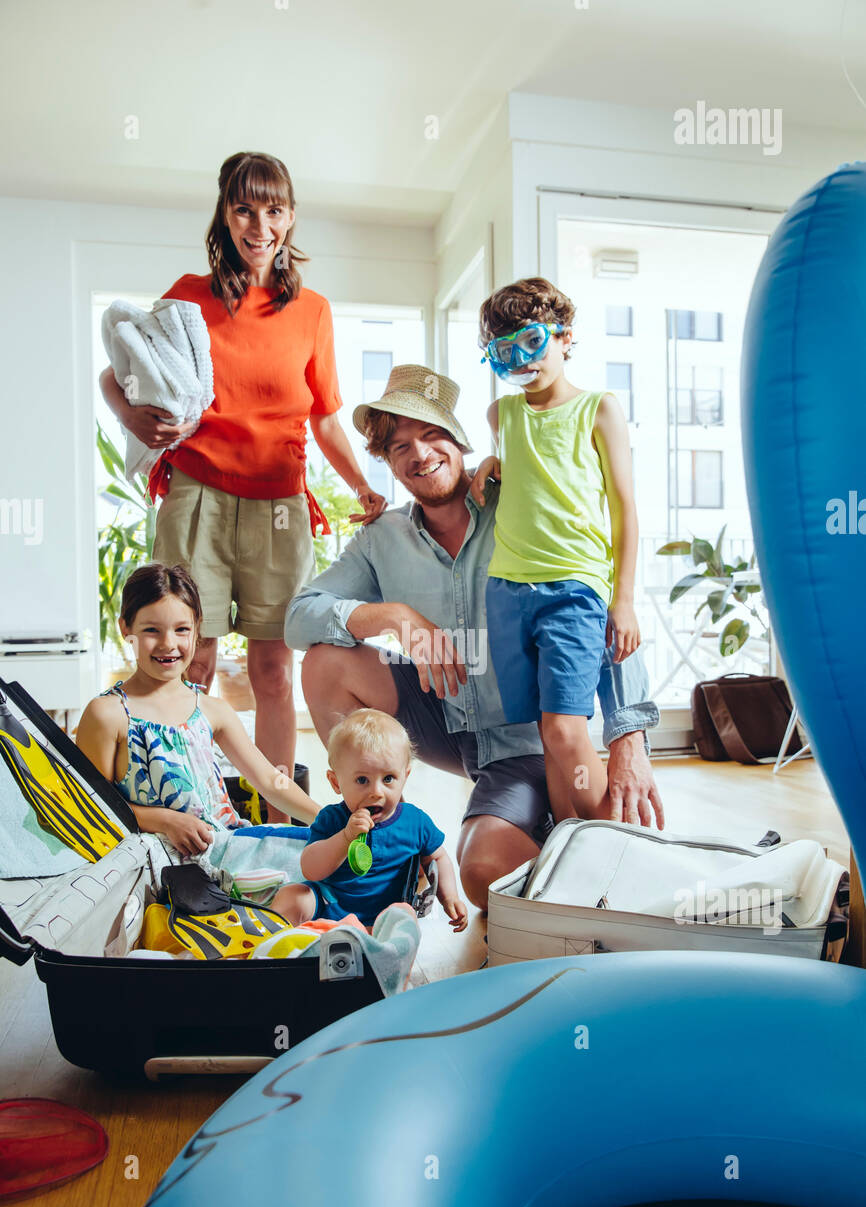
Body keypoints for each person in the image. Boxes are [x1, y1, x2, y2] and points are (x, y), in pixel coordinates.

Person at [285, 365, 664, 912]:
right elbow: (300, 617)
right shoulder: (381, 539)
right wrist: (396, 618)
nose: (419, 454)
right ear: (387, 462)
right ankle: (385, 833)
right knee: (325, 661)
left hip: (542, 738)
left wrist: (629, 737)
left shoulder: (521, 505)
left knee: (499, 869)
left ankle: (578, 839)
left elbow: (594, 597)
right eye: (399, 447)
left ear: (459, 439)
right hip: (454, 728)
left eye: (431, 435)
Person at [98, 151, 386, 820]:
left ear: (291, 216)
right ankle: (191, 802)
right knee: (190, 662)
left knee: (271, 670)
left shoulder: (311, 310)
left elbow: (324, 416)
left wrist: (365, 488)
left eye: (274, 209)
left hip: (279, 509)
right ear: (225, 214)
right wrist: (130, 413)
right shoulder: (187, 297)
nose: (259, 225)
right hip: (195, 496)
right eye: (244, 209)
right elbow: (117, 372)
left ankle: (278, 812)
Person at [470, 277, 640, 823]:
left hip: (574, 589)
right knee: (547, 732)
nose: (522, 358)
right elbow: (515, 472)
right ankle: (569, 844)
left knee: (569, 729)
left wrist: (625, 599)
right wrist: (490, 464)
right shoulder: (502, 416)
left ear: (564, 337)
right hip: (507, 590)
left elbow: (624, 508)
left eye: (533, 340)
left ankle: (613, 846)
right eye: (504, 350)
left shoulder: (599, 409)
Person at [76, 564, 320, 868]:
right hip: (158, 862)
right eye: (151, 630)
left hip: (228, 850)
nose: (168, 643)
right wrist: (164, 820)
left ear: (197, 629)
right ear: (126, 629)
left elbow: (271, 781)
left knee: (322, 862)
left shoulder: (211, 709)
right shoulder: (108, 715)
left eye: (182, 629)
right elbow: (91, 807)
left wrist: (329, 819)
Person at [278, 708, 467, 932]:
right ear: (336, 782)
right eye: (362, 780)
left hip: (385, 918)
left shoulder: (415, 821)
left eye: (388, 778)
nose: (376, 792)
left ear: (404, 777)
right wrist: (346, 837)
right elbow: (311, 869)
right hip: (330, 910)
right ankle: (277, 950)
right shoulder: (332, 818)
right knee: (293, 895)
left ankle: (387, 955)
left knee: (406, 915)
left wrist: (450, 897)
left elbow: (438, 858)